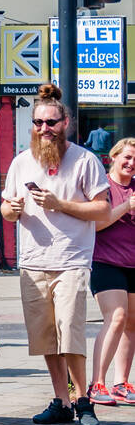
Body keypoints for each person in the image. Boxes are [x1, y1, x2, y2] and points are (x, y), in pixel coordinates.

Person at [1, 83, 111, 425]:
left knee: (70, 331)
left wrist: (60, 204)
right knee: (47, 336)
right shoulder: (21, 162)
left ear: (66, 123)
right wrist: (12, 209)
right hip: (33, 262)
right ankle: (60, 402)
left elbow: (102, 209)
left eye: (51, 122)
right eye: (38, 123)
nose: (44, 129)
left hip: (72, 259)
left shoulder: (85, 160)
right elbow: (5, 206)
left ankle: (83, 400)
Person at [86, 137, 135, 406]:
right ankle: (97, 383)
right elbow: (97, 224)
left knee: (132, 324)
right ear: (113, 157)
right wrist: (127, 206)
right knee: (116, 317)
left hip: (133, 263)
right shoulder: (103, 188)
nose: (131, 163)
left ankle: (122, 384)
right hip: (105, 262)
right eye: (126, 157)